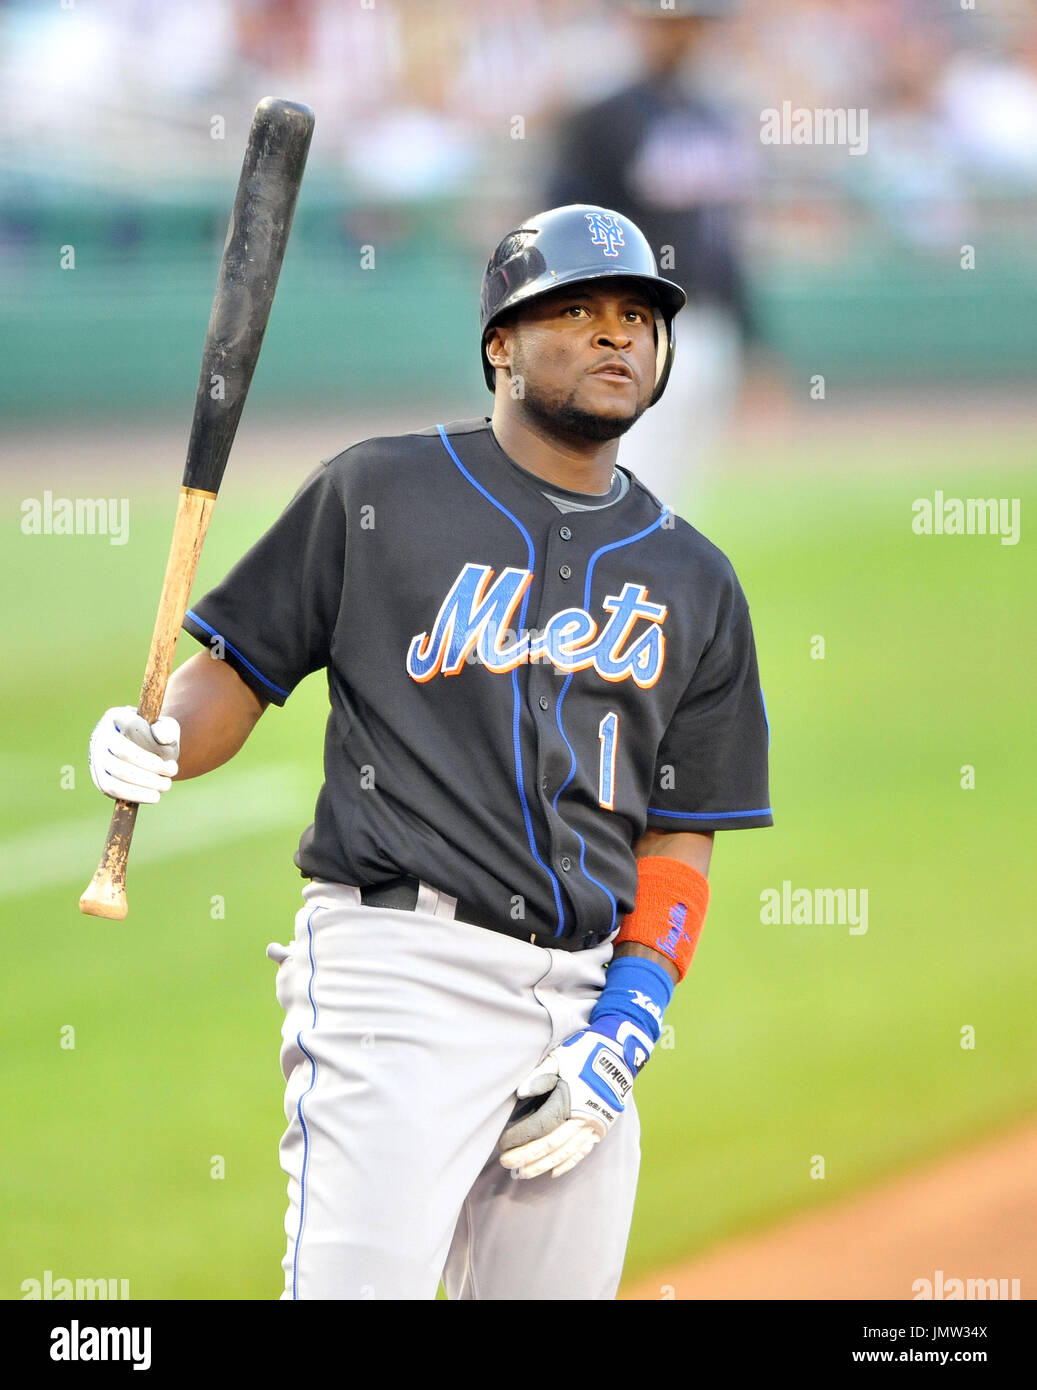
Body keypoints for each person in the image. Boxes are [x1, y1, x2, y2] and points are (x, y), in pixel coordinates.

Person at [87, 204, 772, 1301]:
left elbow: (678, 831)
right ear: (500, 342)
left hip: (584, 1006)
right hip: (398, 978)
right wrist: (161, 736)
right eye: (577, 310)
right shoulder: (377, 493)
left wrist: (629, 1019)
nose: (614, 334)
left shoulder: (694, 578)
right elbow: (241, 668)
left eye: (636, 315)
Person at [544, 0, 756, 509]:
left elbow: (723, 242)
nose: (686, 34)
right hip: (637, 326)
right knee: (625, 481)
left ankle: (653, 588)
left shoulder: (714, 117)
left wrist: (755, 335)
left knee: (678, 497)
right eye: (674, 21)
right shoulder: (602, 118)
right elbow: (564, 229)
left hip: (709, 323)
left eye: (695, 22)